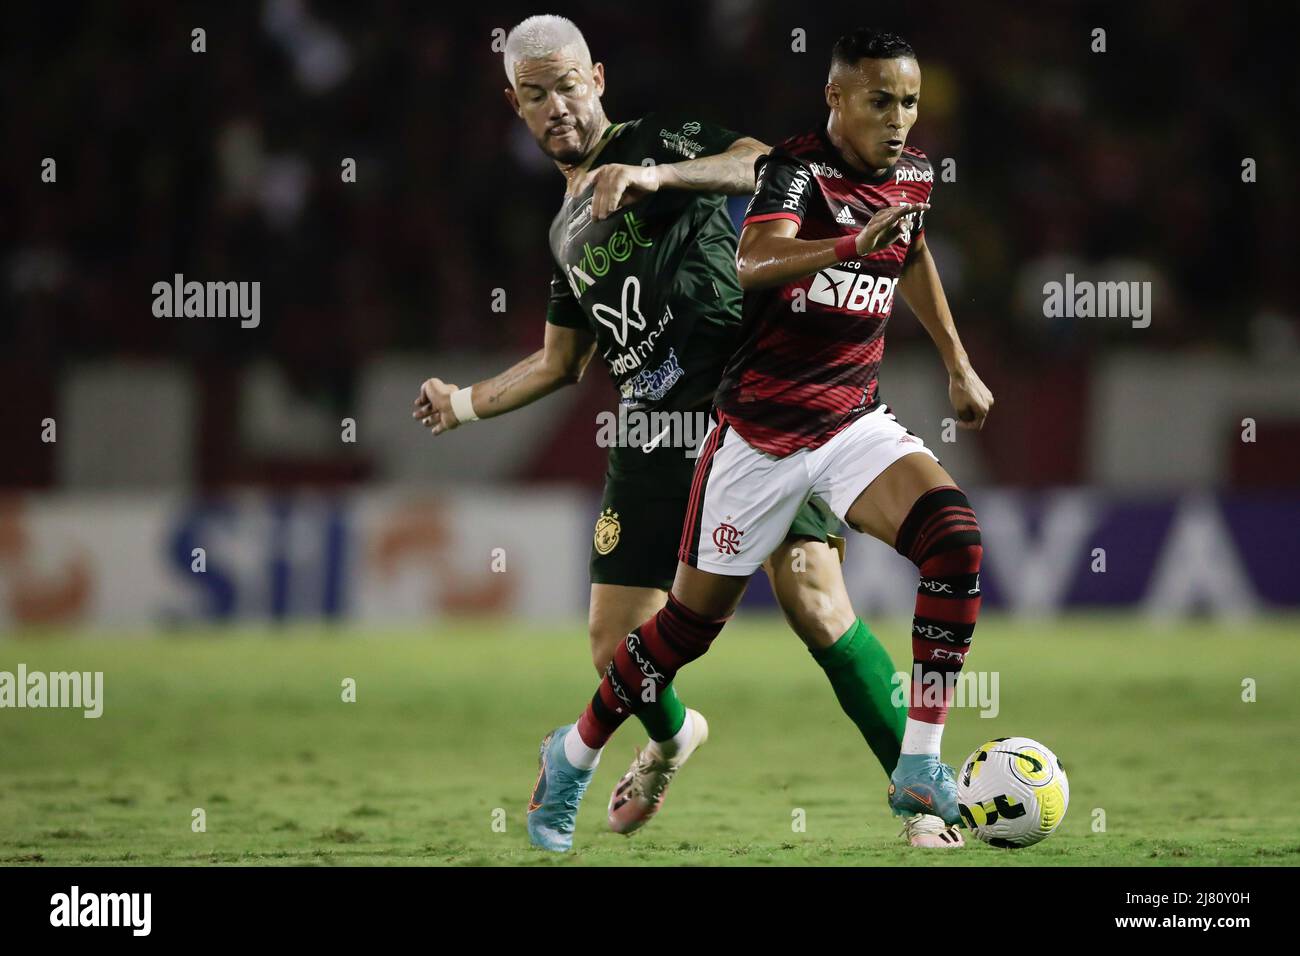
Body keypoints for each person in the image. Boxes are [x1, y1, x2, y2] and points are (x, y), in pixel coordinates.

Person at [414, 16, 950, 847]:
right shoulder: (562, 232)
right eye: (534, 95)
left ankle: (917, 803)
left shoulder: (658, 139)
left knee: (812, 596)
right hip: (652, 432)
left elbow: (762, 164)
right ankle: (672, 738)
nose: (556, 107)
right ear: (514, 106)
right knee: (613, 644)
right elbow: (560, 363)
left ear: (597, 77)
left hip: (752, 399)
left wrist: (656, 176)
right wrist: (466, 402)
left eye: (567, 86)